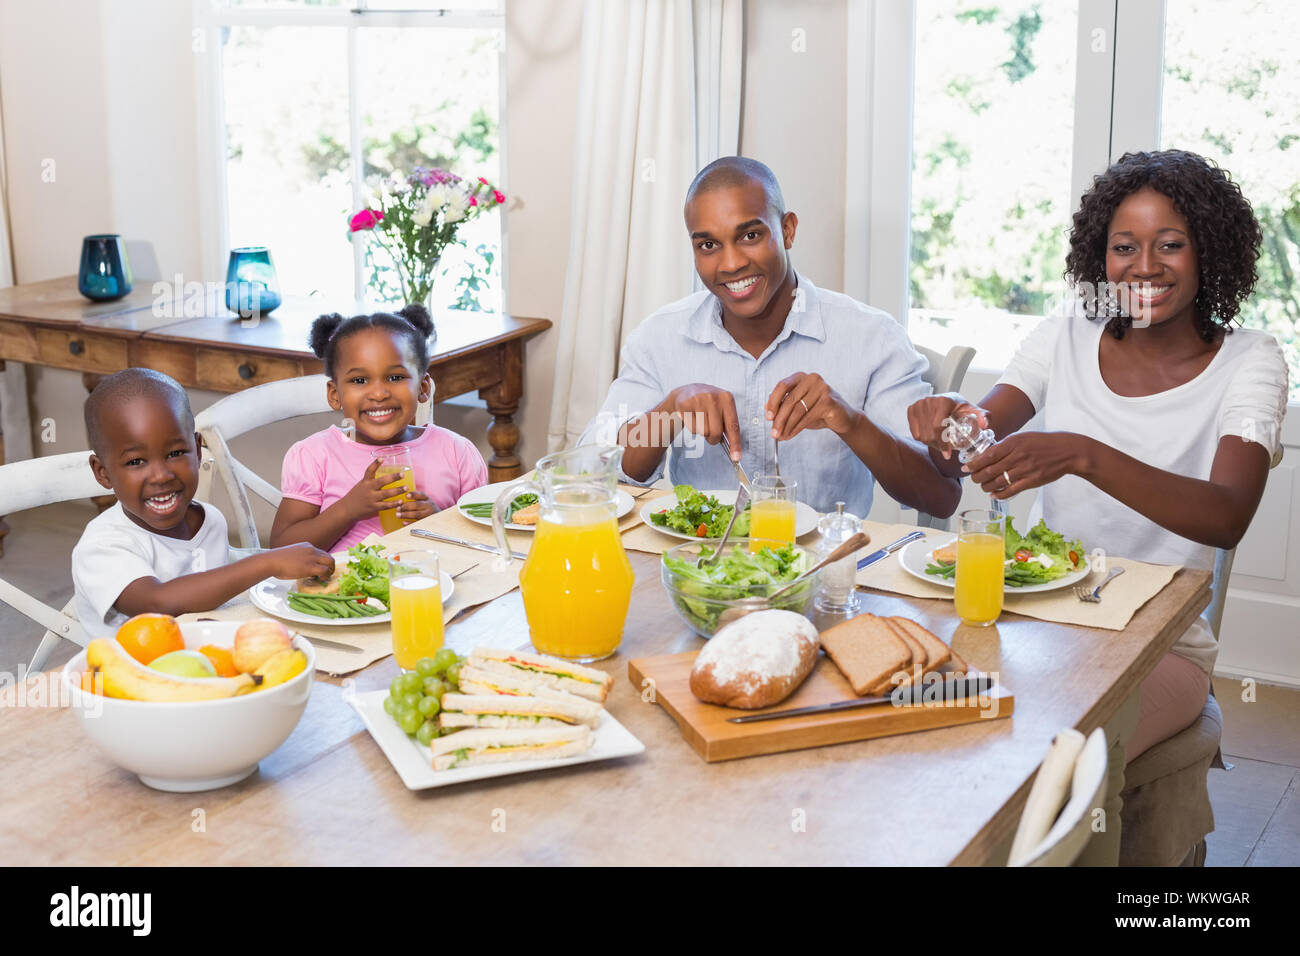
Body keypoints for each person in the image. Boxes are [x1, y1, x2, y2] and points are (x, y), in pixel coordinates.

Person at [908, 150, 1289, 760]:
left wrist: (1085, 455)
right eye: (1123, 247)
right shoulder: (1065, 336)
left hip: (1160, 644)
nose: (1144, 267)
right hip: (1035, 615)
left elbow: (1227, 515)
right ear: (1099, 256)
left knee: (1049, 748)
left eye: (1170, 245)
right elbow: (973, 437)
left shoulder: (1250, 360)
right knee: (917, 708)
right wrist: (954, 420)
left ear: (1208, 252)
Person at [580, 156, 960, 519]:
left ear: (788, 230)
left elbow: (940, 498)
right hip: (698, 568)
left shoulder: (871, 338)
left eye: (749, 235)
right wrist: (671, 409)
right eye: (708, 245)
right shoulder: (660, 338)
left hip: (824, 570)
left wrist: (851, 422)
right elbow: (595, 469)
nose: (730, 264)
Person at [72, 368, 334, 639]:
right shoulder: (103, 545)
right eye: (136, 462)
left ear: (197, 450)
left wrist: (284, 562)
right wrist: (268, 562)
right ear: (102, 472)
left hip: (209, 660)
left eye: (175, 453)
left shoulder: (209, 521)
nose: (161, 475)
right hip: (131, 673)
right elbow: (157, 603)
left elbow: (218, 585)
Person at [271, 304, 488, 551]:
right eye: (359, 380)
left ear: (423, 387)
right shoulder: (314, 456)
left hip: (433, 585)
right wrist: (347, 510)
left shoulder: (456, 452)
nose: (379, 393)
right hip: (346, 588)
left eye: (395, 377)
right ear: (335, 394)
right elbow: (281, 547)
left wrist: (439, 522)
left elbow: (483, 540)